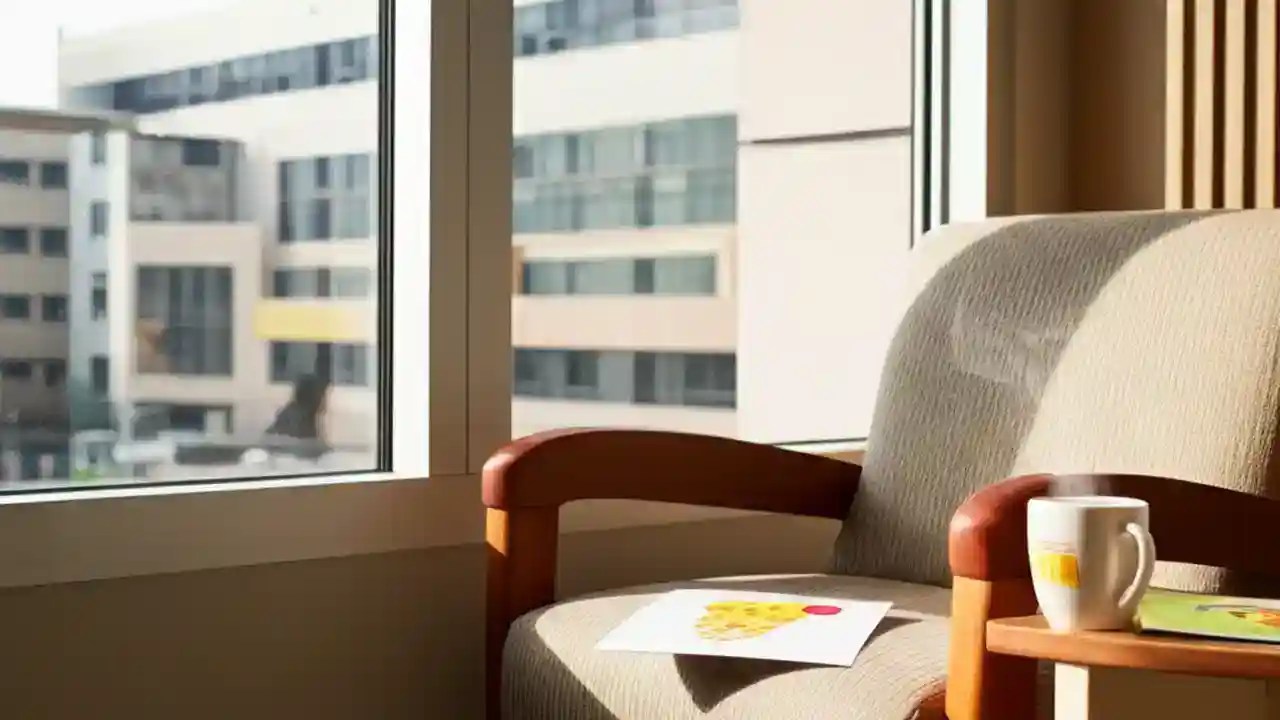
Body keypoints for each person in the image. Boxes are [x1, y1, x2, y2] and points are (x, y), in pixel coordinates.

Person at [263, 374, 331, 460]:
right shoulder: (295, 418)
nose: (325, 402)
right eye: (323, 397)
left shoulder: (308, 417)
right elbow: (305, 451)